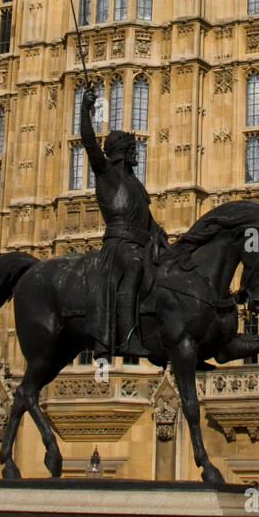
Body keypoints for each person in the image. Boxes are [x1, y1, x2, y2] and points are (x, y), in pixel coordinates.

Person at [80, 85, 168, 355]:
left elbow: (149, 222)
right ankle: (127, 336)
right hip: (120, 246)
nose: (135, 153)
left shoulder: (135, 185)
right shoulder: (106, 173)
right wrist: (85, 109)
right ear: (120, 152)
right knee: (134, 268)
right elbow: (89, 142)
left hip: (140, 243)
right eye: (132, 149)